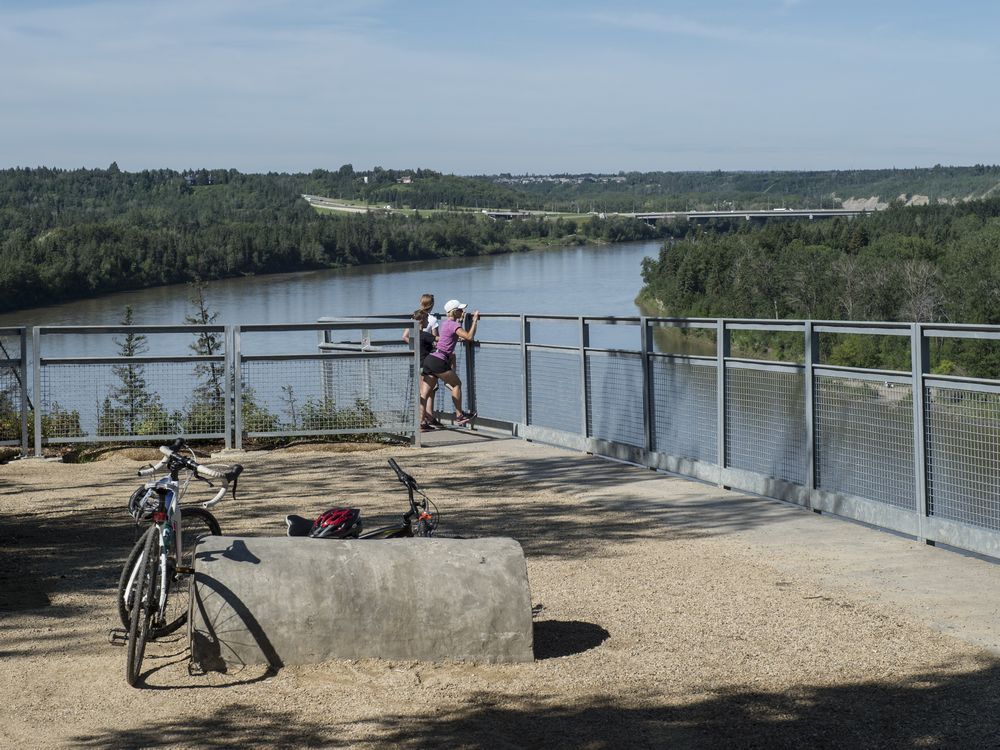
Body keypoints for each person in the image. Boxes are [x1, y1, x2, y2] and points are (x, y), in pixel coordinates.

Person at [421, 299, 479, 427]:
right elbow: (469, 337)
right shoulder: (453, 325)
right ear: (454, 312)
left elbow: (456, 334)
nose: (462, 311)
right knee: (457, 384)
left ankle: (420, 422)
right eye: (460, 310)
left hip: (430, 359)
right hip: (439, 361)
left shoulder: (446, 323)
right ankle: (459, 415)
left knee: (424, 394)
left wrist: (460, 321)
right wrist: (474, 320)